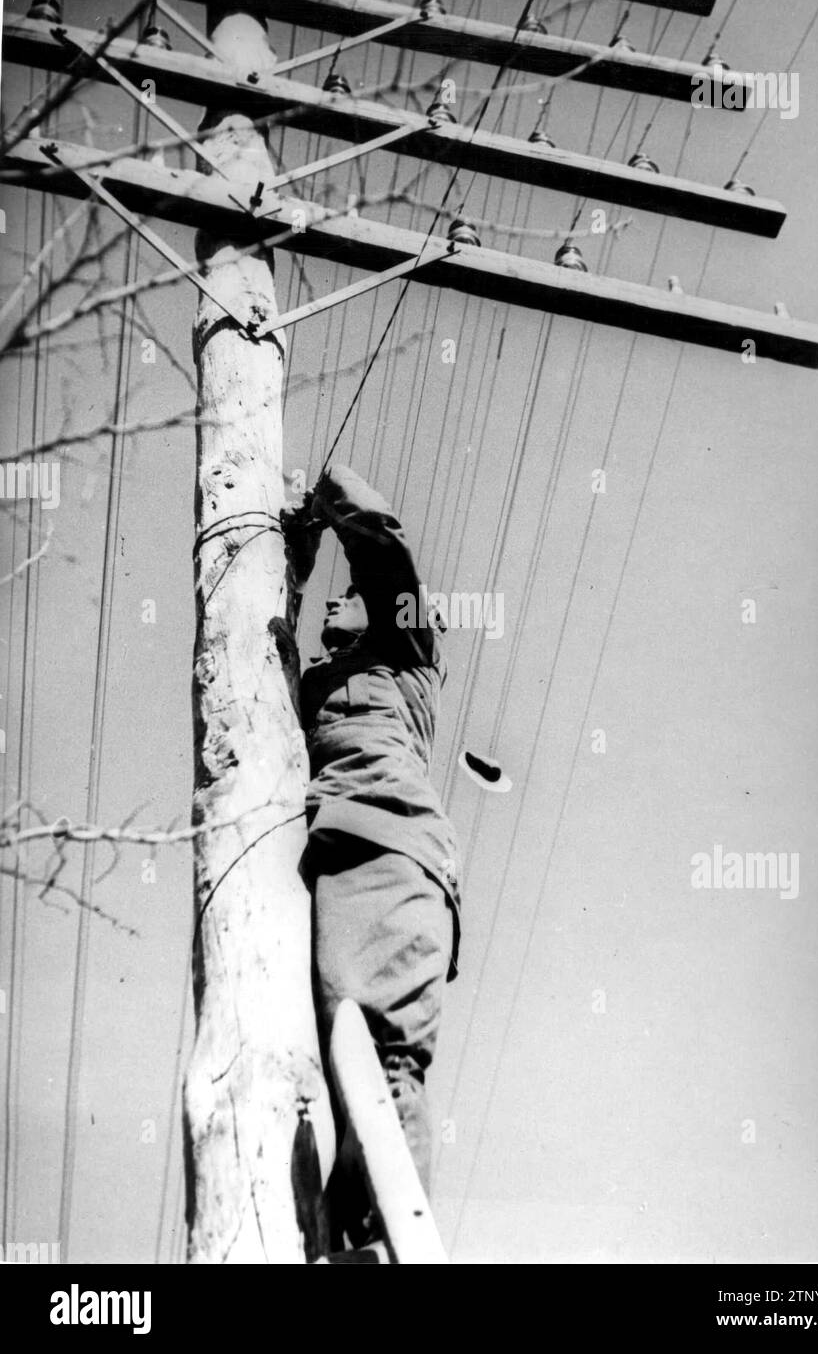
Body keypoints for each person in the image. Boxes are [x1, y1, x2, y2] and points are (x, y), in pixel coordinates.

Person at [281, 463, 460, 1239]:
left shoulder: (404, 658)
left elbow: (381, 552)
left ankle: (385, 1246)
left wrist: (324, 488)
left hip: (387, 853)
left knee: (379, 1067)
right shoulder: (308, 687)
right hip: (321, 871)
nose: (333, 601)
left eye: (344, 596)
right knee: (312, 1092)